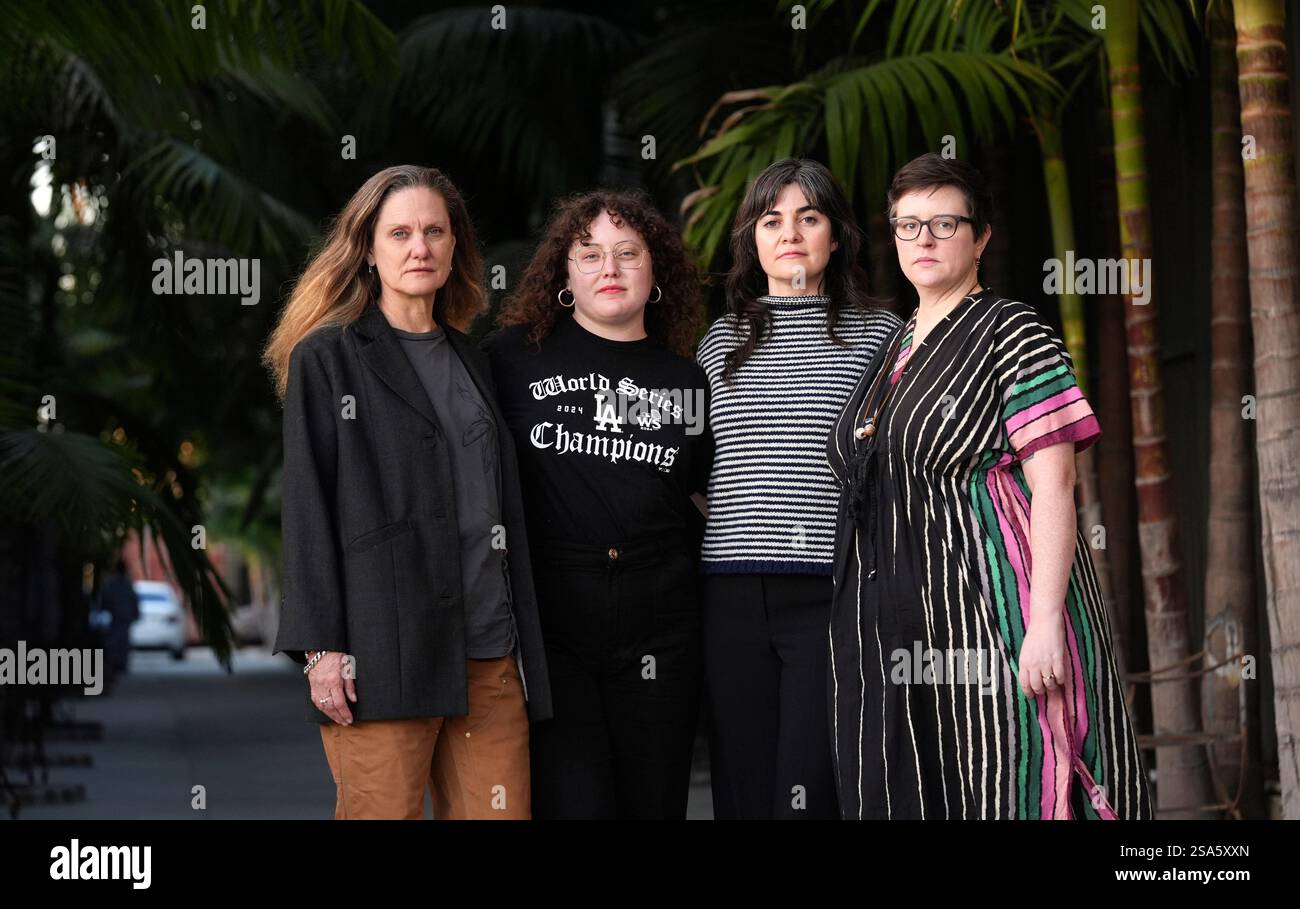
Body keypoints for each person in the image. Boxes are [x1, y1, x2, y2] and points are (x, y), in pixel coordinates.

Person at [826, 152, 1152, 819]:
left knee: (1019, 780)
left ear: (980, 237)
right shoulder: (896, 343)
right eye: (908, 224)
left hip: (996, 617)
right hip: (907, 628)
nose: (923, 239)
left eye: (944, 223)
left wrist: (1044, 621)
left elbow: (1055, 488)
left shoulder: (1013, 333)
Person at [264, 164, 551, 819]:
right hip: (384, 653)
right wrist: (321, 649)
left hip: (488, 652)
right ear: (368, 248)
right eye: (399, 233)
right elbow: (308, 504)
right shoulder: (327, 356)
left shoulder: (473, 360)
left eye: (434, 231)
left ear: (455, 248)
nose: (418, 247)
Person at [484, 190, 711, 819]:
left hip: (663, 624)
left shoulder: (686, 380)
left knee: (654, 804)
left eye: (627, 253)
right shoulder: (509, 361)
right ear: (563, 275)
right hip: (558, 626)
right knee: (575, 803)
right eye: (589, 256)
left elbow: (701, 494)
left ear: (655, 271)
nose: (609, 270)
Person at [696, 158, 900, 818]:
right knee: (743, 788)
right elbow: (696, 469)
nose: (790, 233)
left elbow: (900, 462)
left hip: (829, 592)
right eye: (772, 219)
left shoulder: (882, 336)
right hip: (728, 591)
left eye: (808, 218)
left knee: (807, 790)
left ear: (835, 236)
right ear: (752, 241)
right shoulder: (720, 340)